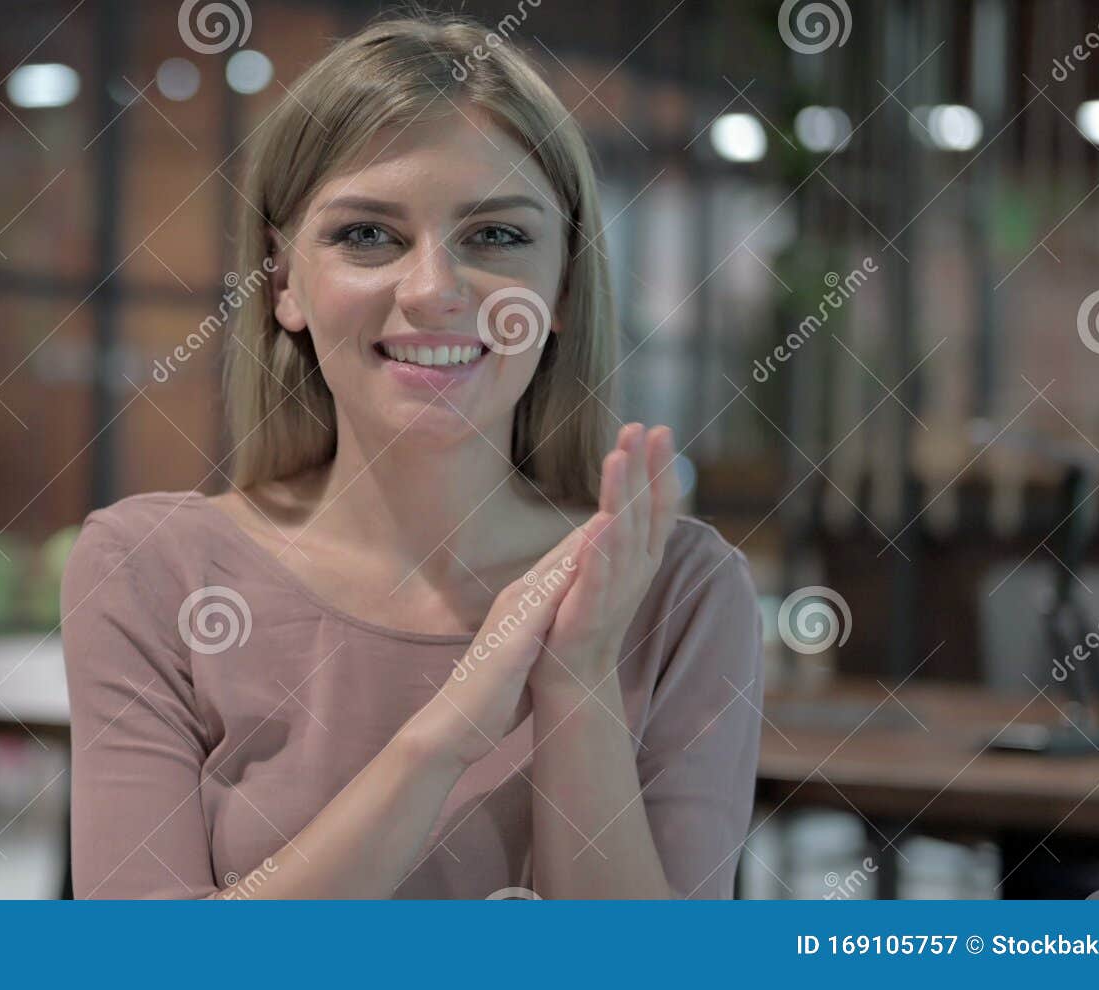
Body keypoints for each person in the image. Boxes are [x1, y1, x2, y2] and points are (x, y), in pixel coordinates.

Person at [61, 12, 761, 899]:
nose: (433, 290)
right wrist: (449, 733)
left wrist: (579, 677)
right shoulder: (151, 570)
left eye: (496, 236)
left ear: (565, 287)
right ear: (283, 285)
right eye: (366, 235)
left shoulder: (681, 591)